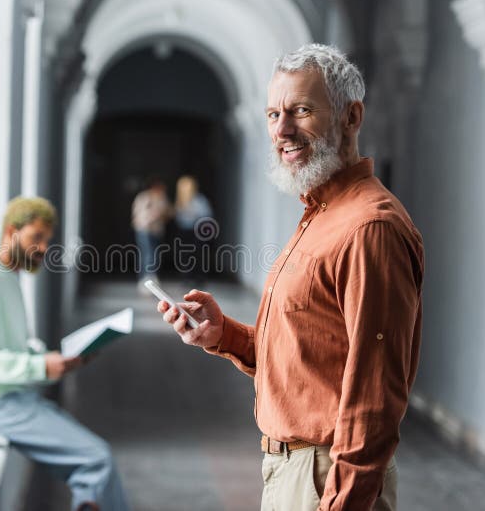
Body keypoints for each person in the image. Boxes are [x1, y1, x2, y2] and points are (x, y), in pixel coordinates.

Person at [157, 44, 424, 511]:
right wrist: (226, 336)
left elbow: (374, 399)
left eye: (301, 110)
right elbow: (311, 361)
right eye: (272, 113)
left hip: (327, 479)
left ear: (351, 116)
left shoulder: (369, 227)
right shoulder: (319, 215)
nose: (282, 130)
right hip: (291, 473)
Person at [0, 196, 129, 511]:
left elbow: (13, 344)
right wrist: (39, 367)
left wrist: (55, 357)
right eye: (36, 237)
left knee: (95, 460)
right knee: (97, 460)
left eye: (47, 240)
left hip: (16, 398)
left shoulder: (8, 275)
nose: (44, 248)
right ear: (11, 231)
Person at [131, 178, 172, 290]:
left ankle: (150, 278)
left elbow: (167, 214)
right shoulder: (144, 197)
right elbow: (137, 213)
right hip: (144, 229)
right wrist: (151, 215)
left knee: (154, 254)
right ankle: (145, 279)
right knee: (147, 254)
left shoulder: (162, 198)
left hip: (156, 230)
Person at [174, 175, 213, 282]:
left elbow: (207, 214)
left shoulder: (199, 200)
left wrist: (195, 215)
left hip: (197, 230)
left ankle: (198, 275)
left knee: (198, 252)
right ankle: (187, 274)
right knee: (185, 253)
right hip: (184, 230)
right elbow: (178, 217)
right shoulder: (180, 201)